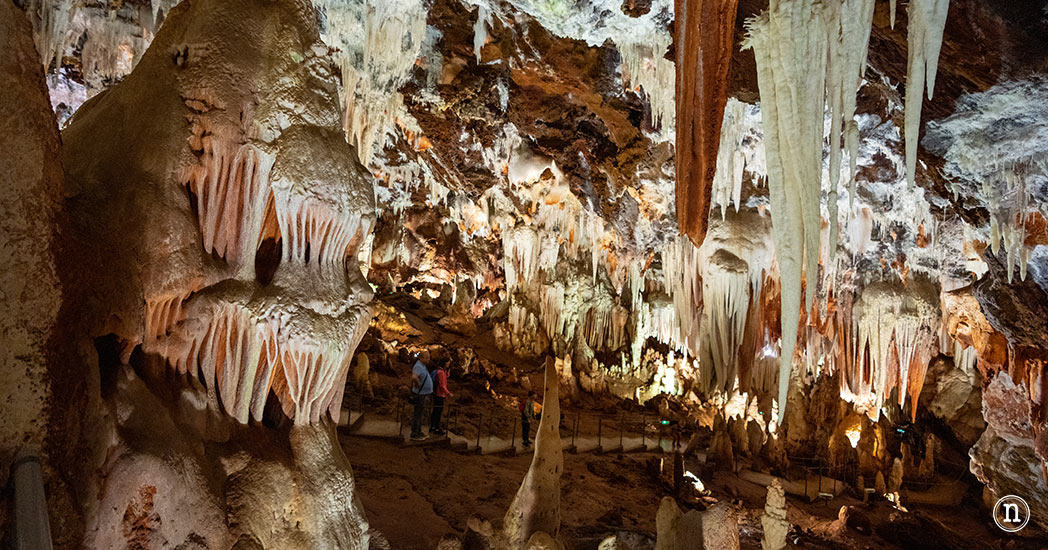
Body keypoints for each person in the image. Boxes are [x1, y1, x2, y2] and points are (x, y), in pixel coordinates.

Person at [409, 351, 434, 441]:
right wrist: (417, 384)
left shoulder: (422, 366)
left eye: (429, 357)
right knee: (418, 414)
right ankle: (415, 433)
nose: (428, 359)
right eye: (427, 357)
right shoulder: (418, 366)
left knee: (420, 414)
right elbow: (414, 377)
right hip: (420, 394)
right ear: (421, 358)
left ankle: (418, 431)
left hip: (423, 394)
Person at [429, 361, 451, 435]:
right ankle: (436, 428)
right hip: (439, 394)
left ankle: (433, 426)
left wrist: (447, 375)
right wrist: (448, 393)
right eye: (448, 363)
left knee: (436, 410)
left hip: (436, 393)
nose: (448, 365)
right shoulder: (441, 372)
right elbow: (442, 385)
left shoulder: (440, 371)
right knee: (438, 411)